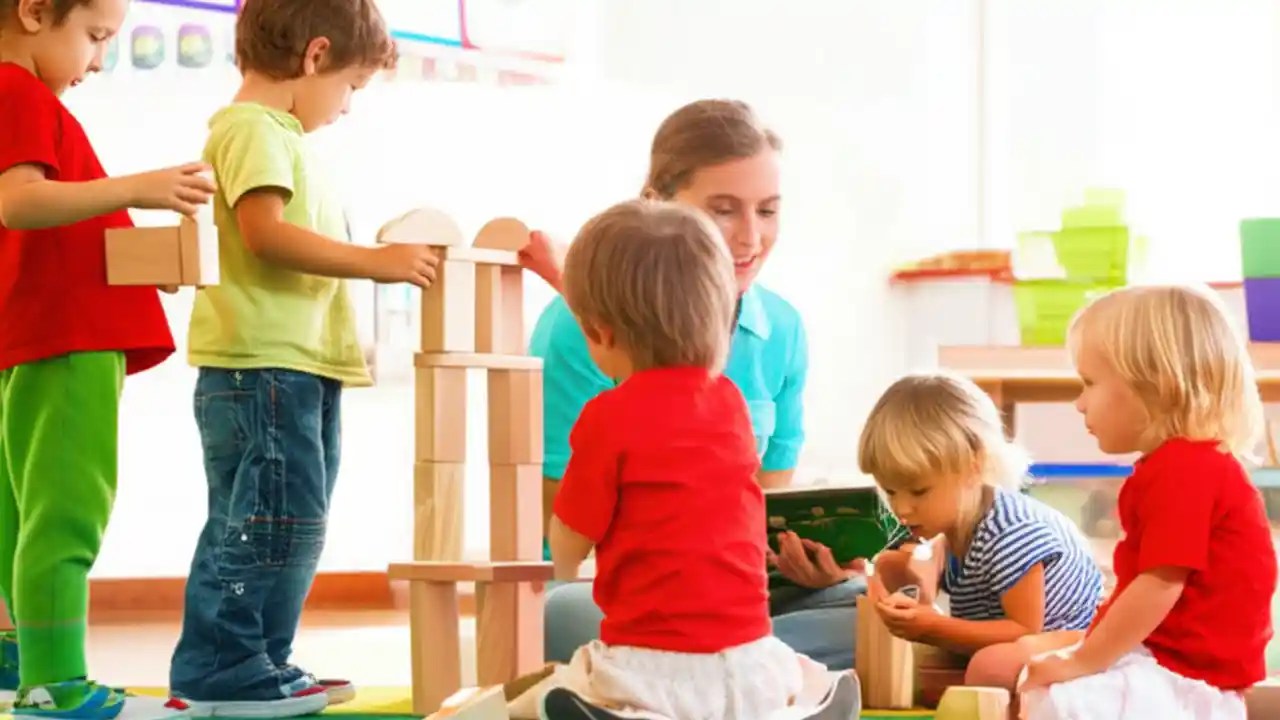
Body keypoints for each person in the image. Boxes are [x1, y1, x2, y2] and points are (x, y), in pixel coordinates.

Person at [519, 99, 865, 670]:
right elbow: (565, 528)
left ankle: (717, 670)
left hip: (732, 599)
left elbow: (763, 511)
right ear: (655, 205)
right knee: (559, 616)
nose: (750, 237)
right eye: (723, 211)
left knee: (869, 604)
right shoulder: (578, 329)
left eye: (768, 211)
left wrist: (807, 562)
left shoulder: (782, 328)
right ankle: (768, 674)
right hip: (613, 588)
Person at [166, 2, 438, 717]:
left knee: (290, 520)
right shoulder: (253, 128)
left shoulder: (278, 135)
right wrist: (376, 263)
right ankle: (221, 665)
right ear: (316, 56)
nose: (347, 108)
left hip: (294, 368)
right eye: (351, 87)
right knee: (267, 519)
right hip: (263, 367)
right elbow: (266, 235)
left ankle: (260, 656)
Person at [0, 0, 217, 716]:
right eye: (94, 37)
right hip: (66, 338)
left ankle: (24, 657)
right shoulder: (19, 93)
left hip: (38, 334)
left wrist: (137, 250)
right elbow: (21, 204)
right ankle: (56, 684)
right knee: (65, 511)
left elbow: (47, 225)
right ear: (35, 12)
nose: (98, 61)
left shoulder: (21, 98)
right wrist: (135, 188)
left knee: (23, 509)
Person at [1020, 285, 1278, 719]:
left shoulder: (1185, 469)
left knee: (1053, 701)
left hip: (1183, 679)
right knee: (1041, 683)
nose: (1079, 403)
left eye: (1089, 383)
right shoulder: (1184, 465)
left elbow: (1158, 586)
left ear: (1155, 386)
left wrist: (1081, 661)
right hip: (1178, 669)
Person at [858, 374, 1104, 702]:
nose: (901, 508)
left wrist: (933, 626)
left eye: (919, 491)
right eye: (890, 491)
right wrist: (897, 579)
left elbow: (1024, 629)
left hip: (1074, 640)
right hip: (1018, 642)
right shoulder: (951, 526)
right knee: (931, 665)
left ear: (974, 464)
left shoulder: (1010, 532)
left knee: (989, 667)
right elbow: (925, 585)